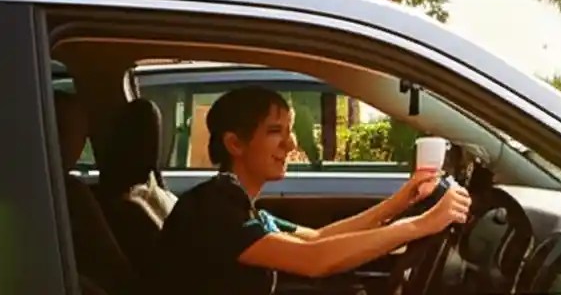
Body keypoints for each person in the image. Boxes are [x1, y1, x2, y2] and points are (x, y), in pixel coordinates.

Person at [150, 87, 470, 295]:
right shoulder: (214, 210)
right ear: (235, 143)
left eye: (289, 132)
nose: (291, 145)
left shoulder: (235, 203)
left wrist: (399, 203)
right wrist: (422, 225)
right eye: (276, 132)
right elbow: (314, 260)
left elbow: (318, 238)